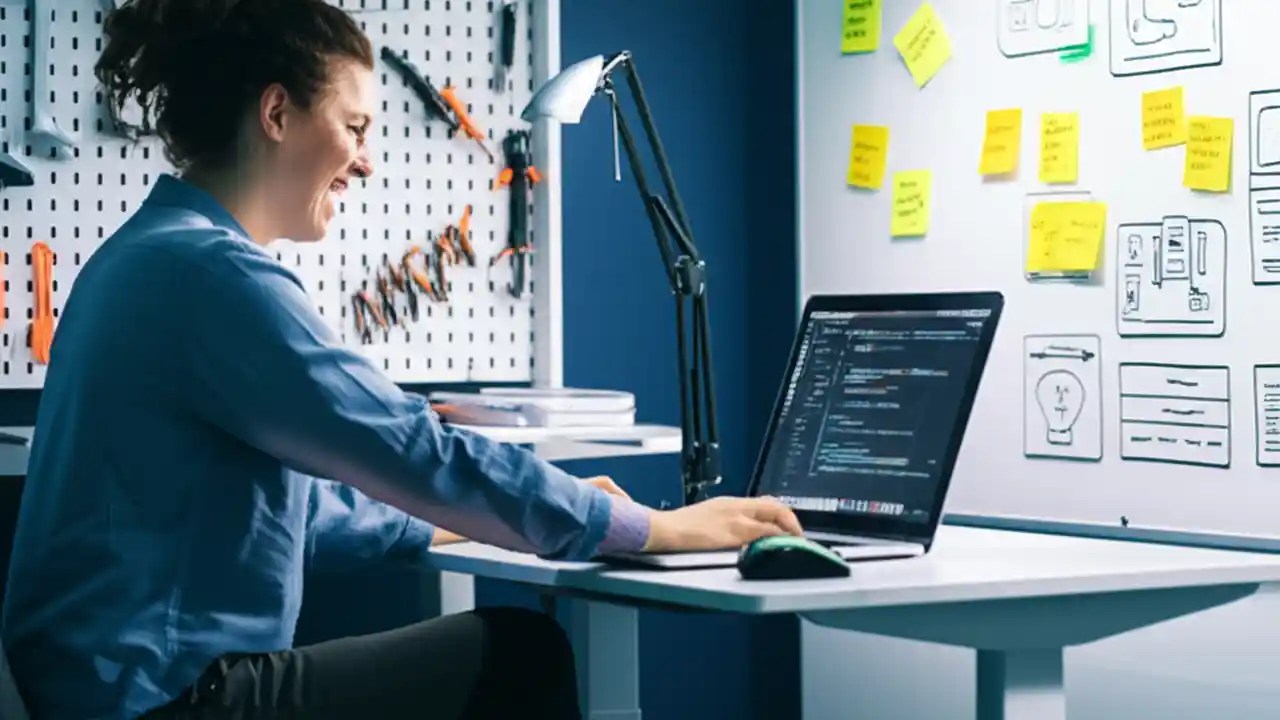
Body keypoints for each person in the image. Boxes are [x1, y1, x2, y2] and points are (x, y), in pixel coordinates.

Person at [0, 1, 804, 718]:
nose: (368, 161)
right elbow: (414, 448)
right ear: (276, 113)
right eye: (355, 128)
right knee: (520, 657)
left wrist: (488, 522)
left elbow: (297, 515)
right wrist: (653, 527)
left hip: (106, 693)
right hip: (163, 702)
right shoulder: (211, 276)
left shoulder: (143, 258)